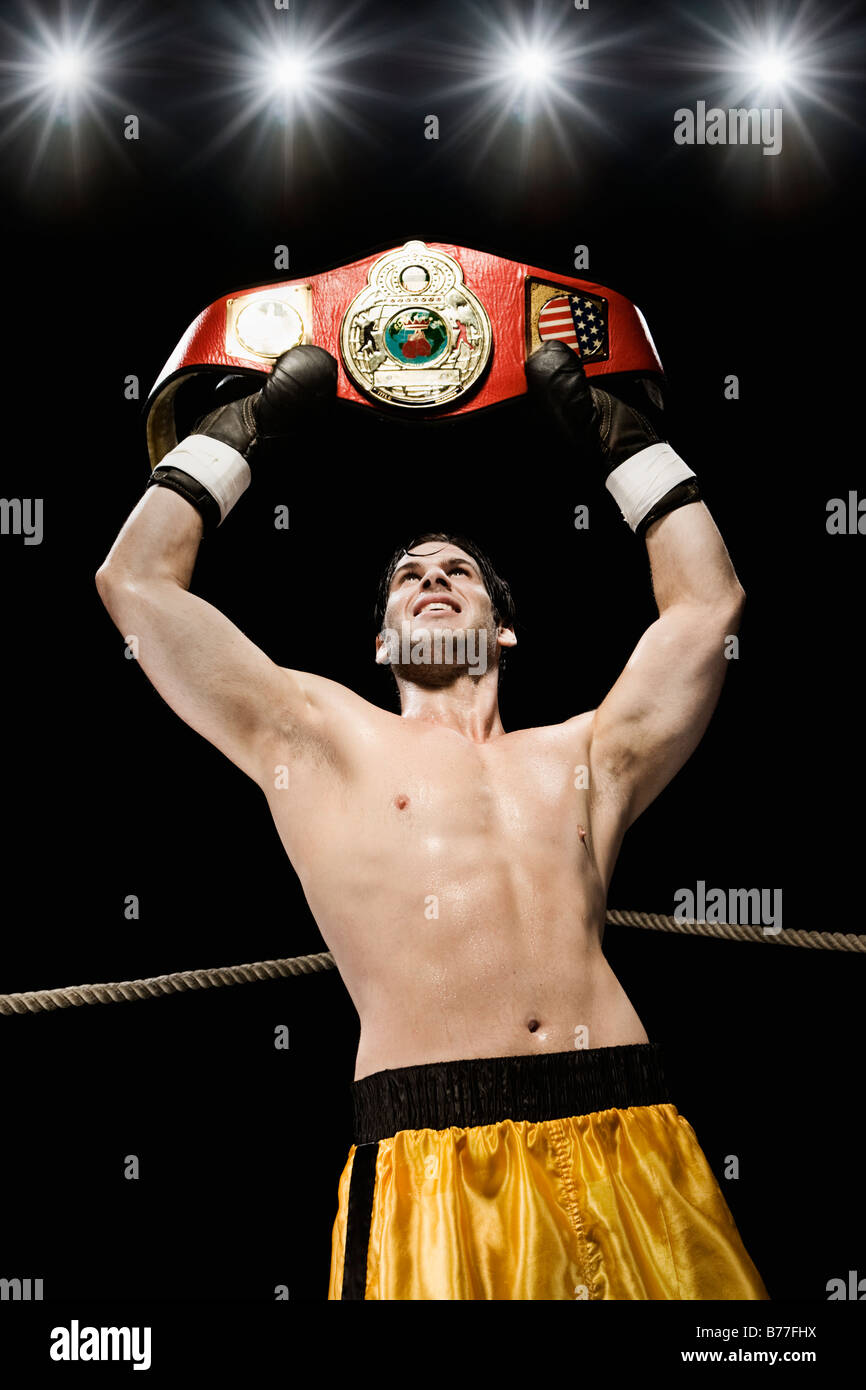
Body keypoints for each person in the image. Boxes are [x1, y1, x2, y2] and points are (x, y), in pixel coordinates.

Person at [95, 340, 768, 1301]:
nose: (434, 578)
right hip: (434, 1154)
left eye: (459, 570)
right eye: (409, 577)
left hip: (634, 1128)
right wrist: (237, 434)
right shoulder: (318, 736)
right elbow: (138, 584)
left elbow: (707, 605)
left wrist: (626, 446)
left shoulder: (588, 754)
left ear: (503, 628)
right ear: (382, 642)